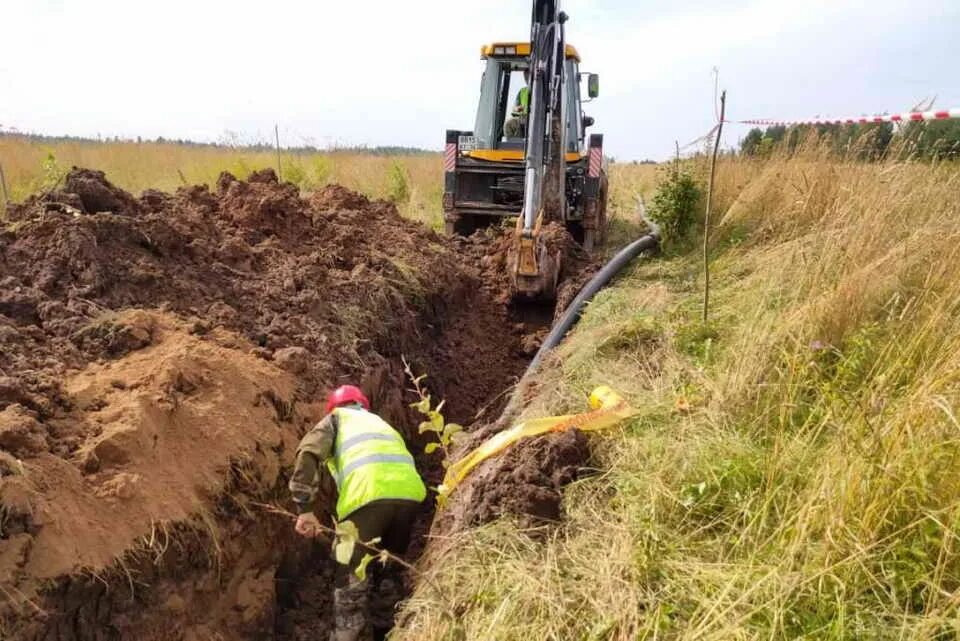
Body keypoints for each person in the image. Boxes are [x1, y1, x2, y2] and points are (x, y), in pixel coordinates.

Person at [289, 384, 427, 641]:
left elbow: (308, 453)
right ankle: (387, 630)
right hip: (410, 496)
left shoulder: (336, 419)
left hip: (366, 497)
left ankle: (346, 635)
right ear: (362, 404)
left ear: (335, 407)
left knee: (351, 576)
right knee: (390, 566)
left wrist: (304, 508)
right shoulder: (379, 423)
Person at [504, 68, 531, 138]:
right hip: (524, 118)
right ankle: (514, 145)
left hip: (538, 119)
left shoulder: (543, 90)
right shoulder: (522, 91)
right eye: (525, 76)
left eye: (528, 75)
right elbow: (514, 107)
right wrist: (517, 108)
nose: (526, 78)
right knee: (509, 124)